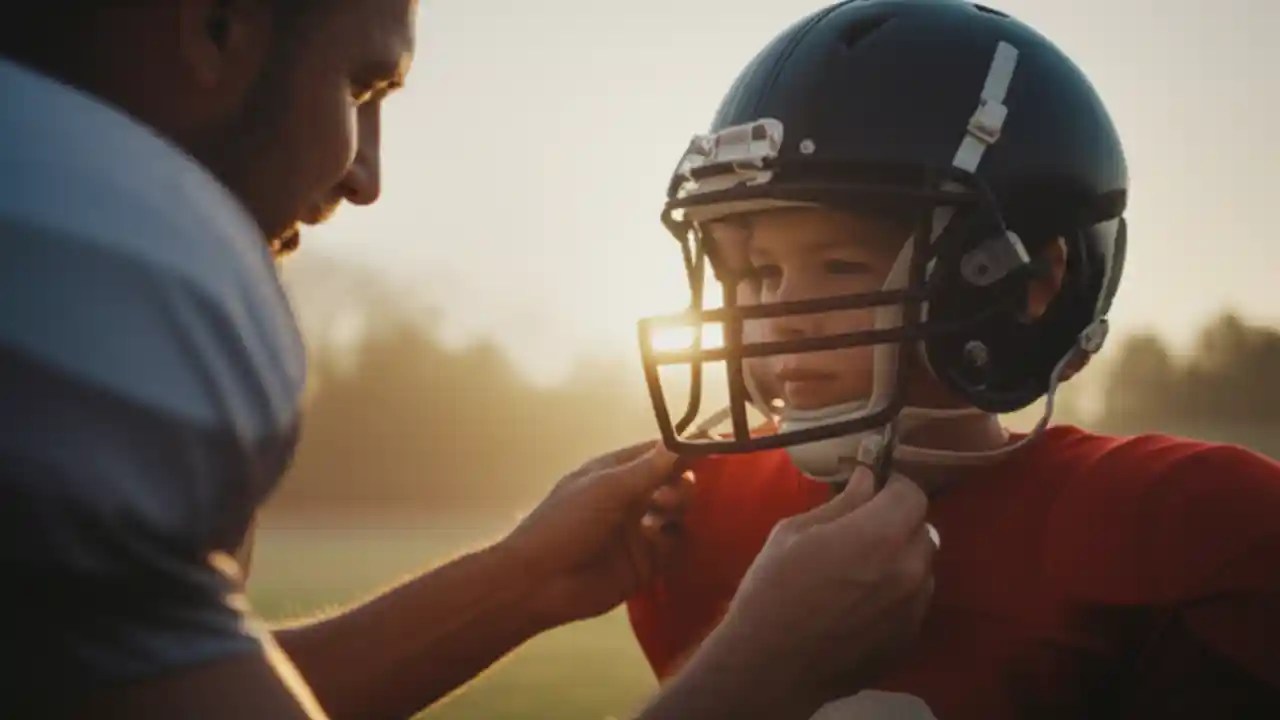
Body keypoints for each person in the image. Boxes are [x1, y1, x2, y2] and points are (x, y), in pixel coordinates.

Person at [0, 1, 937, 718]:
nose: (366, 177)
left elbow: (148, 692)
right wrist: (747, 682)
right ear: (212, 26)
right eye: (359, 90)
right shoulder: (69, 282)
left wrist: (519, 579)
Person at [626, 1, 1280, 717]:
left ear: (1028, 286)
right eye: (756, 272)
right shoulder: (696, 519)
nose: (781, 313)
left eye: (841, 265)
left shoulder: (1185, 533)